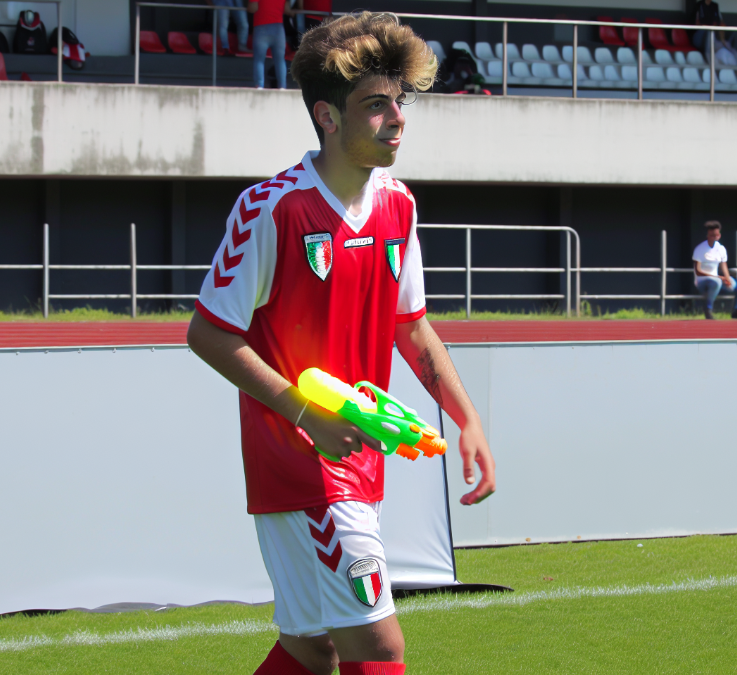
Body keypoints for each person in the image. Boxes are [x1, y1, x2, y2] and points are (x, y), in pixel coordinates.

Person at [187, 13, 495, 674]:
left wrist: (466, 420)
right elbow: (209, 331)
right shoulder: (273, 208)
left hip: (360, 463)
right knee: (378, 648)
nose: (397, 119)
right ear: (327, 116)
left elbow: (411, 326)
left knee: (312, 647)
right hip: (301, 462)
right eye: (376, 104)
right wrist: (305, 413)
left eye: (400, 102)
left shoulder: (399, 206)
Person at [693, 221, 737, 320]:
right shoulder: (700, 249)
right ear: (708, 235)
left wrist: (726, 279)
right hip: (702, 281)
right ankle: (708, 311)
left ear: (719, 235)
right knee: (716, 282)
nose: (713, 237)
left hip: (717, 280)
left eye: (716, 235)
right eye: (711, 235)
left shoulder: (721, 248)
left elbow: (723, 265)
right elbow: (698, 271)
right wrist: (718, 277)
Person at [249, 0, 292, 88]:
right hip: (278, 29)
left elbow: (253, 8)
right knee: (280, 60)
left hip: (261, 28)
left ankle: (259, 86)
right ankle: (282, 87)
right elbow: (286, 9)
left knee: (259, 60)